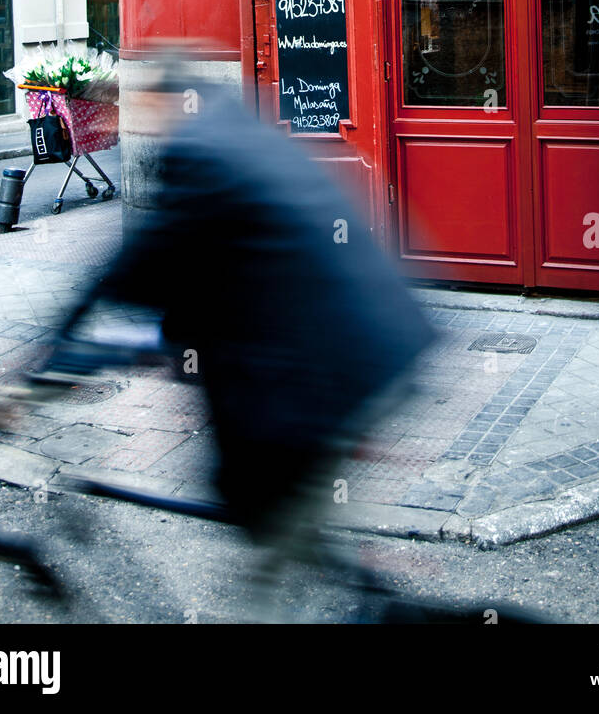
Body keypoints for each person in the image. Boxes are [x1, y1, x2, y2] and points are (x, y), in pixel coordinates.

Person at [42, 69, 435, 603]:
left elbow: (135, 264)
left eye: (130, 107)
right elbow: (206, 273)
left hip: (330, 373)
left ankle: (384, 610)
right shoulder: (241, 132)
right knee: (290, 529)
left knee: (259, 522)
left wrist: (51, 351)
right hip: (373, 346)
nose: (124, 121)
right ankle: (358, 592)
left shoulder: (201, 156)